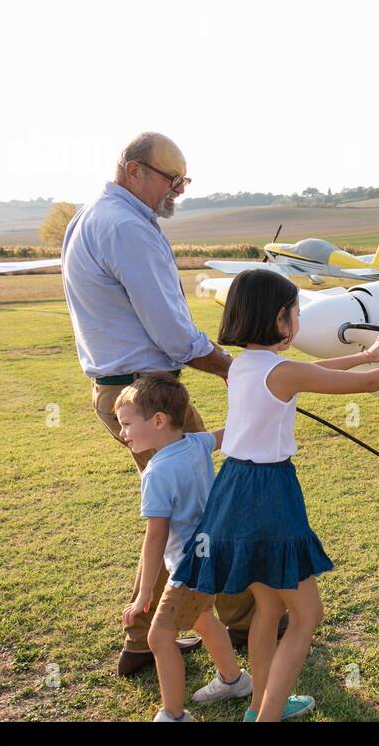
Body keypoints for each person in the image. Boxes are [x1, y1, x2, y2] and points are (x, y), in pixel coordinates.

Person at [171, 269, 379, 721]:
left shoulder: (243, 364)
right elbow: (356, 384)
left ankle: (259, 706)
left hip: (234, 489)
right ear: (279, 320)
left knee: (269, 606)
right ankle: (267, 717)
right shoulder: (278, 370)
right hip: (268, 493)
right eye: (297, 312)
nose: (299, 320)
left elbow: (312, 372)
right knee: (307, 616)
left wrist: (369, 354)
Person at [61, 132, 268, 677]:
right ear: (133, 171)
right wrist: (234, 368)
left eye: (183, 181)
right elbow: (173, 332)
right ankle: (236, 622)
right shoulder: (127, 226)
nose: (176, 190)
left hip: (125, 389)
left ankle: (144, 639)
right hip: (150, 396)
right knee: (203, 507)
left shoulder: (94, 216)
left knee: (178, 511)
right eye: (169, 179)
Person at [114, 375, 250, 721]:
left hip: (191, 564)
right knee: (204, 619)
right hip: (215, 553)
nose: (122, 433)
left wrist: (145, 592)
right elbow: (225, 435)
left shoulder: (156, 472)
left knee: (160, 638)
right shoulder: (194, 443)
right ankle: (234, 680)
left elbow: (155, 536)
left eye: (127, 424)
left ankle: (173, 715)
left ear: (158, 420)